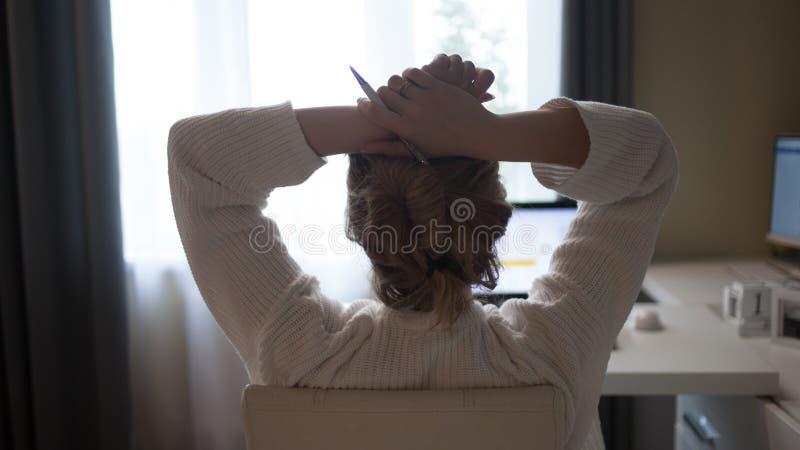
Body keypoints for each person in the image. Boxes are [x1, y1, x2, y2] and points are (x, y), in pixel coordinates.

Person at [168, 53, 678, 450]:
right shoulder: (553, 355)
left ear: (363, 220)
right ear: (489, 214)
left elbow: (198, 158)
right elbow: (648, 161)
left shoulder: (299, 355)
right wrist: (489, 132)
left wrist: (380, 121)